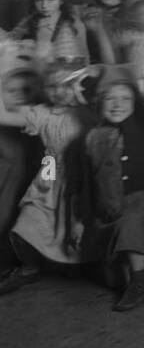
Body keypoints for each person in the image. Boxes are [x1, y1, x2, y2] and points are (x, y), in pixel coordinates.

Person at [74, 65, 144, 312]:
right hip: (109, 203)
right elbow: (85, 181)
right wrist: (80, 219)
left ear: (136, 102)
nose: (117, 104)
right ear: (98, 102)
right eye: (110, 98)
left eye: (125, 98)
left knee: (132, 232)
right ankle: (143, 266)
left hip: (142, 201)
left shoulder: (142, 125)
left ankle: (141, 282)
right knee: (113, 278)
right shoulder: (92, 137)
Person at [0, 59, 93, 295]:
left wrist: (82, 96)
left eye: (66, 85)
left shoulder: (86, 113)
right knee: (27, 223)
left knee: (73, 231)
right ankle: (28, 269)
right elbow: (4, 116)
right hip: (50, 175)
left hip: (79, 177)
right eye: (53, 86)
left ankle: (73, 264)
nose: (58, 91)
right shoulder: (41, 113)